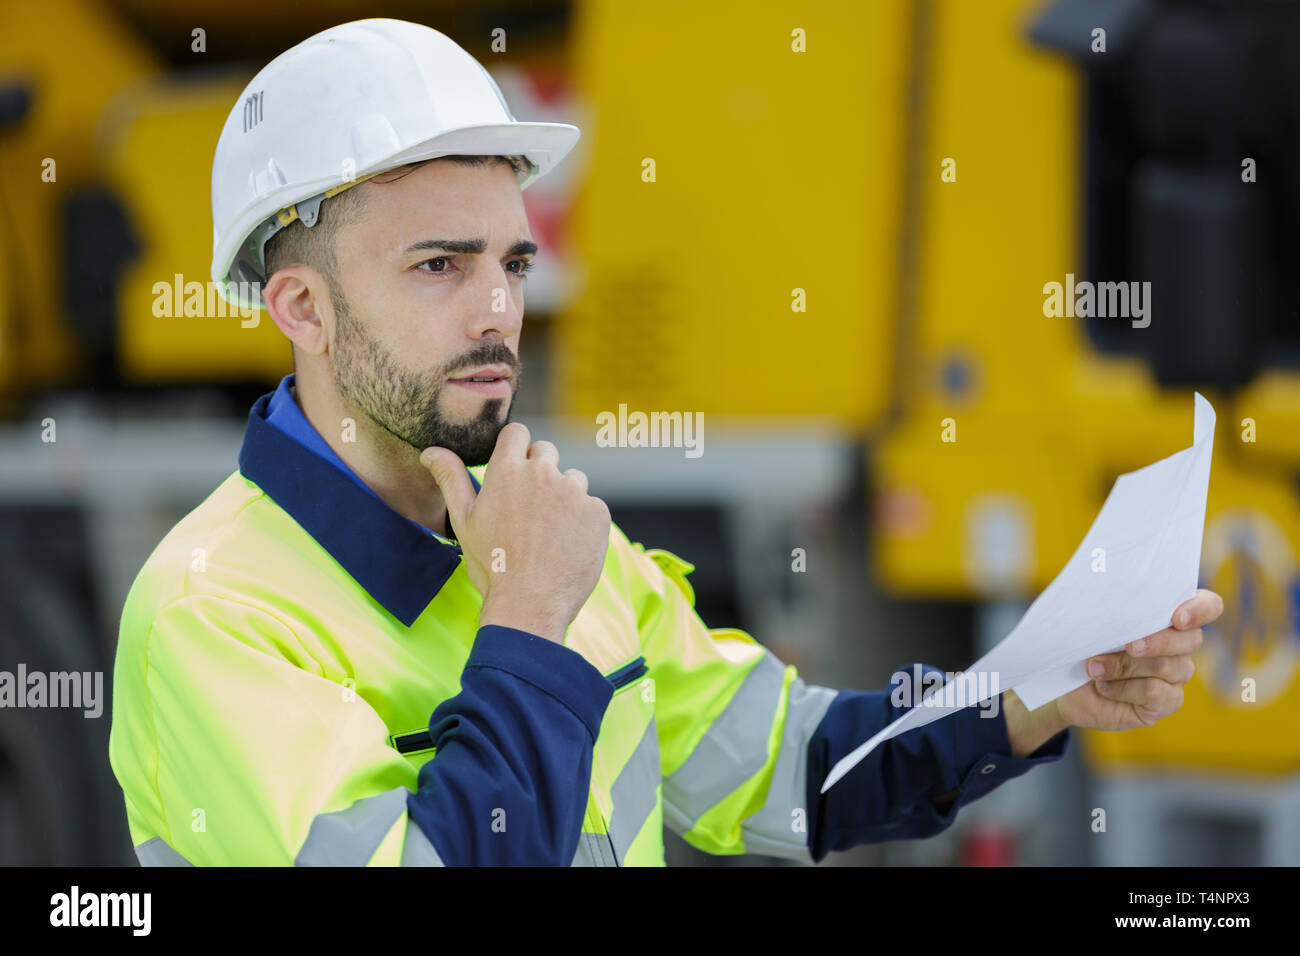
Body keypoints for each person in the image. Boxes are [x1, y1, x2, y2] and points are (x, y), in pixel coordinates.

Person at [108, 18, 1224, 866]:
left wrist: (1038, 691)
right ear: (301, 307)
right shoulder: (218, 613)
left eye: (511, 262)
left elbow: (792, 765)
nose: (498, 308)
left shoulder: (542, 536)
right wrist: (525, 626)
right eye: (438, 265)